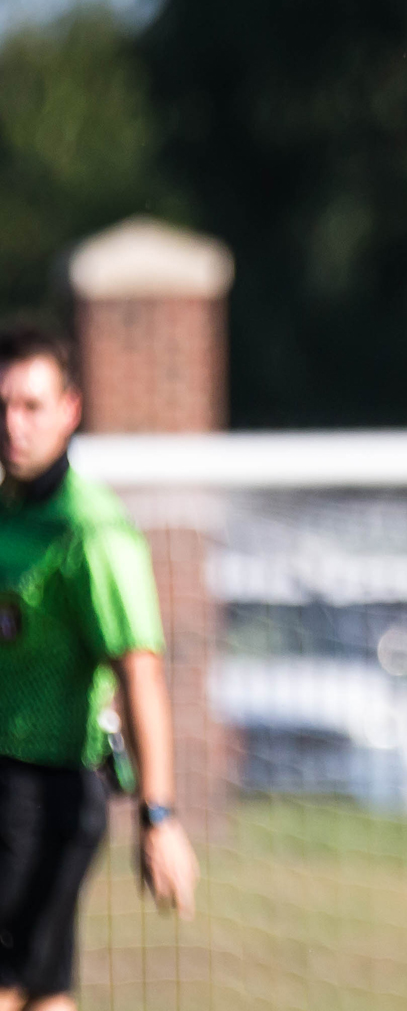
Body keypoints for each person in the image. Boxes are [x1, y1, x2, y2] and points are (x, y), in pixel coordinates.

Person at [0, 324, 199, 1011]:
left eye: (30, 407)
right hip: (9, 788)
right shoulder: (7, 510)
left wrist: (160, 815)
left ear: (69, 411)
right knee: (45, 994)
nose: (12, 426)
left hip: (45, 792)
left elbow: (139, 675)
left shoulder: (90, 532)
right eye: (1, 407)